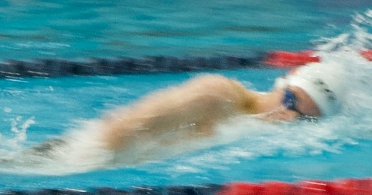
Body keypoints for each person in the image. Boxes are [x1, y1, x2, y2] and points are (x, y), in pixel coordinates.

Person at [49, 60, 347, 163]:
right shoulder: (216, 96)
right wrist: (77, 165)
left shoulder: (254, 130)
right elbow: (119, 129)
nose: (286, 115)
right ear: (283, 83)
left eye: (302, 118)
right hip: (69, 157)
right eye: (289, 101)